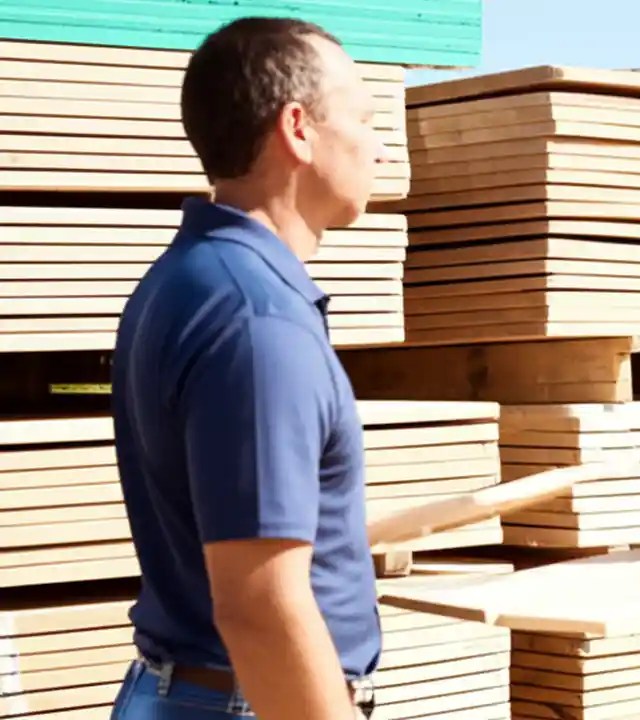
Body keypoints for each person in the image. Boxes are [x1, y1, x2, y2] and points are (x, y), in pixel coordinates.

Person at [109, 16, 389, 720]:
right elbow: (259, 605)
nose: (379, 147)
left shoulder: (191, 279)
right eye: (364, 118)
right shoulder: (256, 321)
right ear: (298, 128)